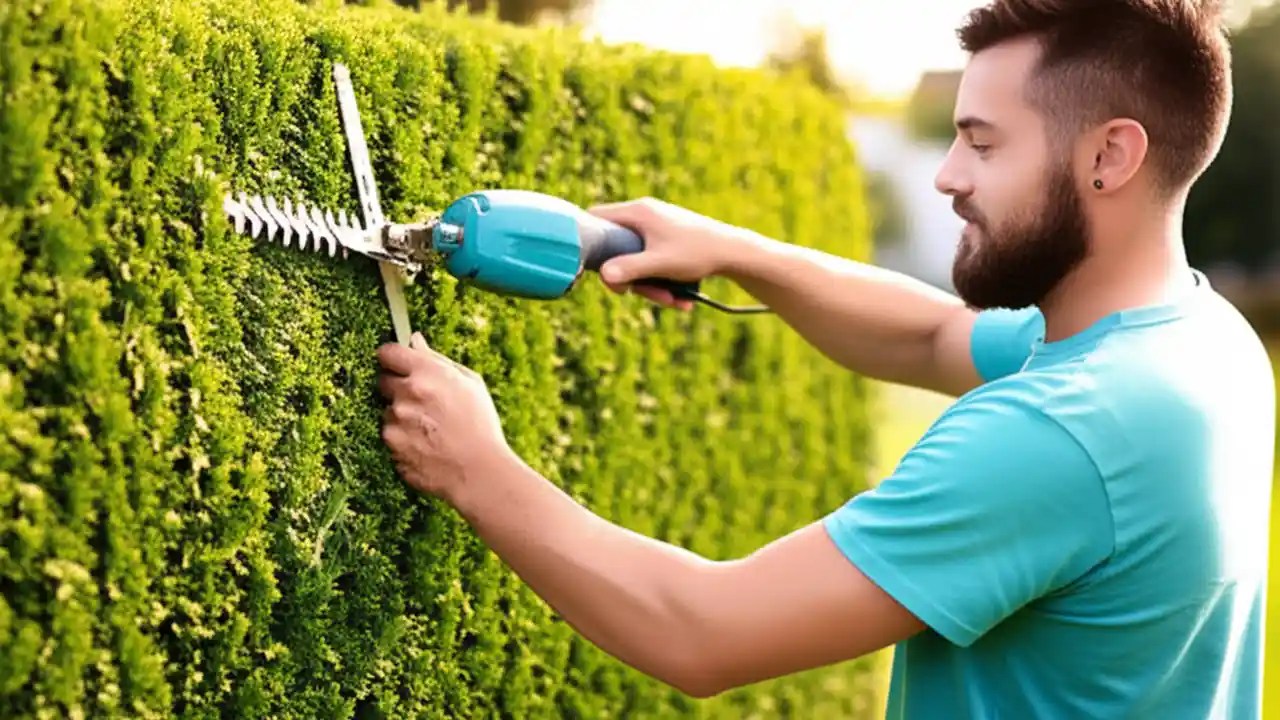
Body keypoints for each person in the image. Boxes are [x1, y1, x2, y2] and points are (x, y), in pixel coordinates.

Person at [375, 0, 1275, 716]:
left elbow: (704, 633)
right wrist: (735, 250)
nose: (947, 175)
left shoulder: (1058, 434)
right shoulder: (1200, 345)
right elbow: (928, 332)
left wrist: (478, 470)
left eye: (983, 141)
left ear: (1109, 156)